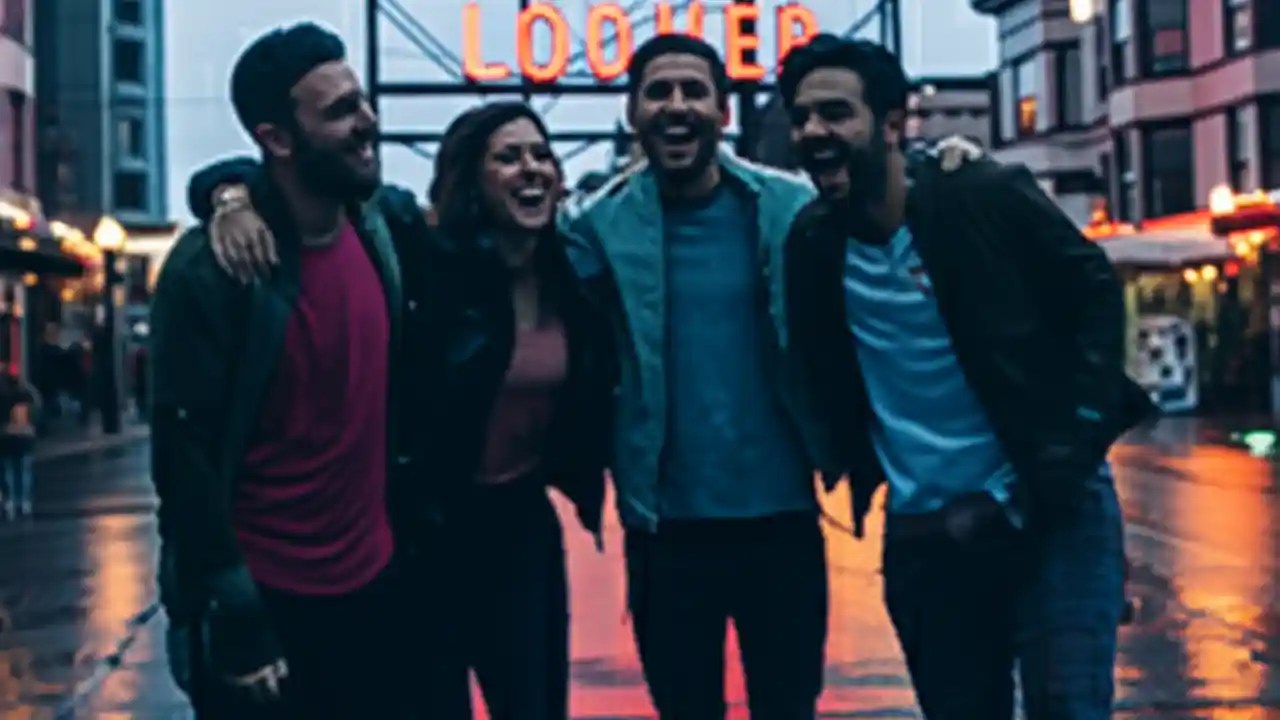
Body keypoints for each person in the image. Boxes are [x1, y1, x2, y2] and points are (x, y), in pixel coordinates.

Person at [182, 101, 615, 719]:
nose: (532, 169)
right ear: (472, 175)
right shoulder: (420, 253)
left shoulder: (577, 269)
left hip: (522, 528)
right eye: (508, 156)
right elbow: (305, 179)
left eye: (542, 155)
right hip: (427, 532)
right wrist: (226, 194)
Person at [779, 35, 1154, 718]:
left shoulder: (980, 194)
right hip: (927, 536)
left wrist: (1066, 460)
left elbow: (1094, 293)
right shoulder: (810, 244)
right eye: (801, 117)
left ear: (893, 125)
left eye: (836, 112)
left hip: (1047, 515)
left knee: (1066, 704)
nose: (814, 131)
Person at [149, 22, 426, 718]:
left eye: (360, 102)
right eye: (338, 112)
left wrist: (224, 187)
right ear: (276, 138)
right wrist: (233, 610)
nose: (367, 124)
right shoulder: (208, 271)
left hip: (375, 589)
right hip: (265, 606)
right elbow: (182, 457)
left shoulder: (378, 227)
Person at [0, 372, 37, 519]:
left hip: (7, 439)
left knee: (8, 471)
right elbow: (36, 411)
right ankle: (24, 501)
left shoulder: (3, 397)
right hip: (25, 438)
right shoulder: (27, 396)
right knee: (23, 471)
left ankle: (10, 500)